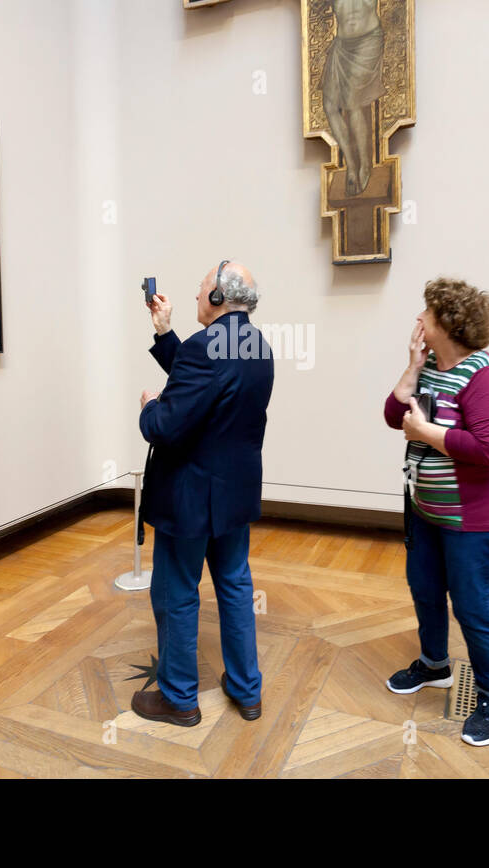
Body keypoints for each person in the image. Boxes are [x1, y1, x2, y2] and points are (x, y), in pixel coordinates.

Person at [132, 262, 274, 727]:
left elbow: (166, 426)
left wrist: (150, 407)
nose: (195, 296)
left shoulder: (203, 349)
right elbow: (207, 384)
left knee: (176, 593)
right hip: (233, 494)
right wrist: (165, 332)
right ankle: (247, 690)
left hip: (190, 498)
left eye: (200, 289)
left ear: (217, 298)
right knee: (234, 587)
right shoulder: (257, 346)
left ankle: (179, 698)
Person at [229, 0, 464, 195]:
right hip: (342, 45)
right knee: (330, 106)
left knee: (352, 104)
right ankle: (351, 163)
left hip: (367, 41)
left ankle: (364, 167)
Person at [383, 278, 489, 747]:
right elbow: (392, 415)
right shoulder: (429, 367)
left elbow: (488, 449)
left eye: (427, 312)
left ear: (447, 323)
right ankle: (434, 664)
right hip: (427, 510)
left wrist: (425, 434)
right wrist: (411, 366)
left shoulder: (484, 373)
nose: (419, 318)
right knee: (424, 589)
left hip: (476, 518)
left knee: (472, 606)